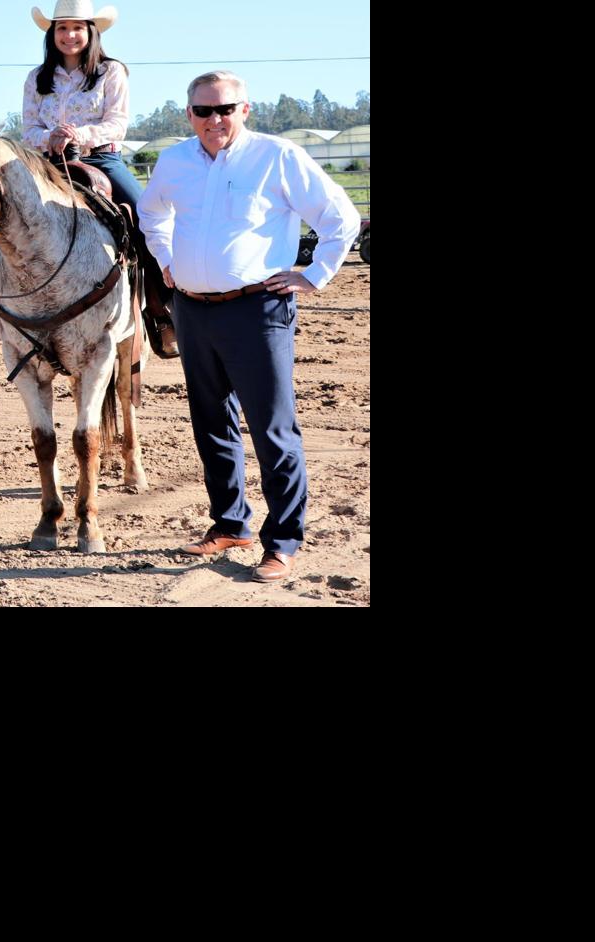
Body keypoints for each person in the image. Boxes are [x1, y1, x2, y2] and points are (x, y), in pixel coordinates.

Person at [137, 71, 361, 584]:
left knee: (272, 427)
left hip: (256, 308)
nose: (215, 120)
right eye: (203, 111)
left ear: (245, 109)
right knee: (211, 420)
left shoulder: (277, 156)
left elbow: (339, 217)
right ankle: (230, 522)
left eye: (225, 109)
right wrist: (167, 258)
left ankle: (282, 541)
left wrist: (315, 274)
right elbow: (152, 214)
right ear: (188, 114)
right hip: (191, 308)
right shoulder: (173, 162)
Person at [21, 1, 176, 358]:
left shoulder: (111, 72)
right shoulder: (37, 78)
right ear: (52, 34)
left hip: (101, 158)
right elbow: (29, 128)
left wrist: (77, 134)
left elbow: (117, 123)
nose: (69, 35)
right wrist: (52, 138)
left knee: (144, 215)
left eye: (77, 28)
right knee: (1, 216)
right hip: (49, 163)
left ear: (92, 32)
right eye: (62, 28)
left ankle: (159, 311)